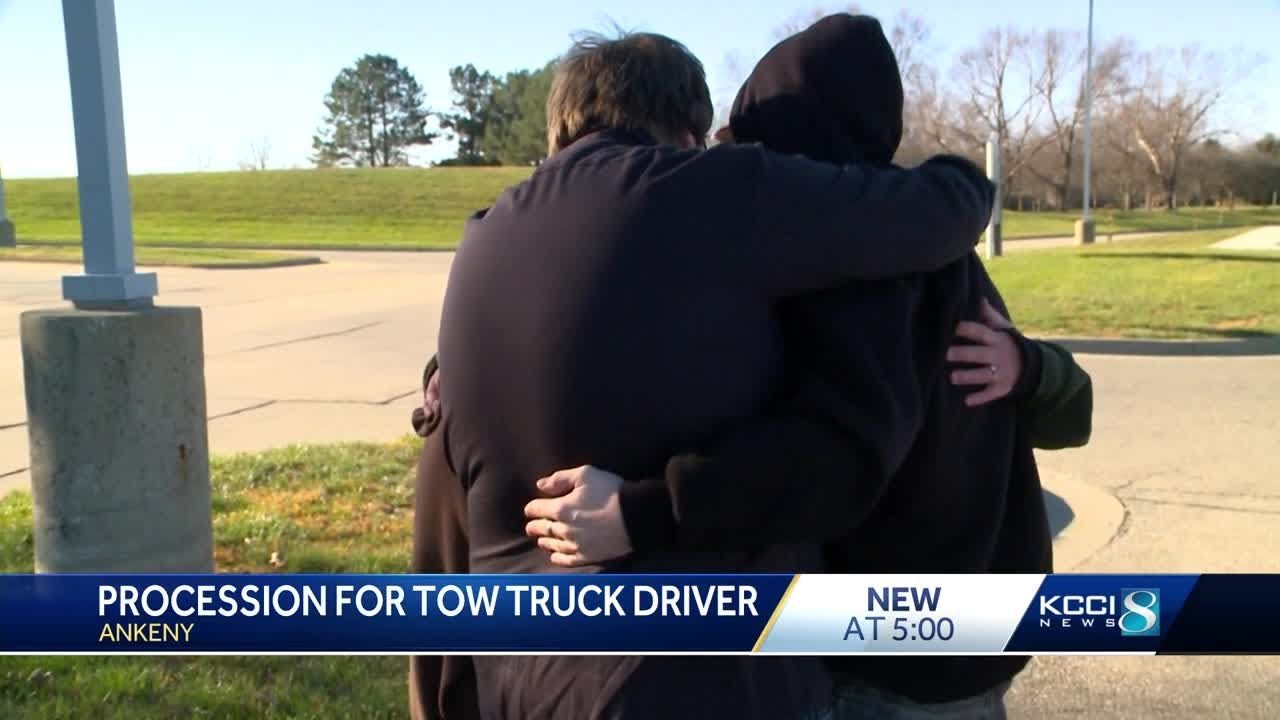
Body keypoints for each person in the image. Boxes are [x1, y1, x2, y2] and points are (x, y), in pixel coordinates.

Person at [521, 14, 1092, 720]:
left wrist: (645, 512)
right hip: (980, 642)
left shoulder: (851, 273)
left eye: (752, 142)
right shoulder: (932, 247)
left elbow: (834, 457)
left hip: (883, 661)